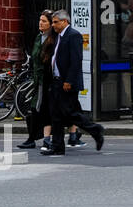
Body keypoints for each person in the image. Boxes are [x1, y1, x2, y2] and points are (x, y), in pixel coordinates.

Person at [40, 10, 105, 155]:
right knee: (56, 115)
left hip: (67, 82)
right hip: (56, 81)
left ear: (65, 22)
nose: (54, 25)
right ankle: (57, 146)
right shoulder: (57, 36)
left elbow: (76, 60)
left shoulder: (73, 35)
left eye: (56, 22)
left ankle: (95, 129)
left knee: (70, 113)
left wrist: (69, 80)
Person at [17, 9, 55, 150]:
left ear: (51, 24)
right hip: (37, 79)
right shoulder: (39, 37)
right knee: (35, 108)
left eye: (44, 21)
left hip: (46, 80)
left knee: (38, 108)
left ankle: (42, 138)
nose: (40, 23)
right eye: (40, 20)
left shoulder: (53, 40)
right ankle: (34, 138)